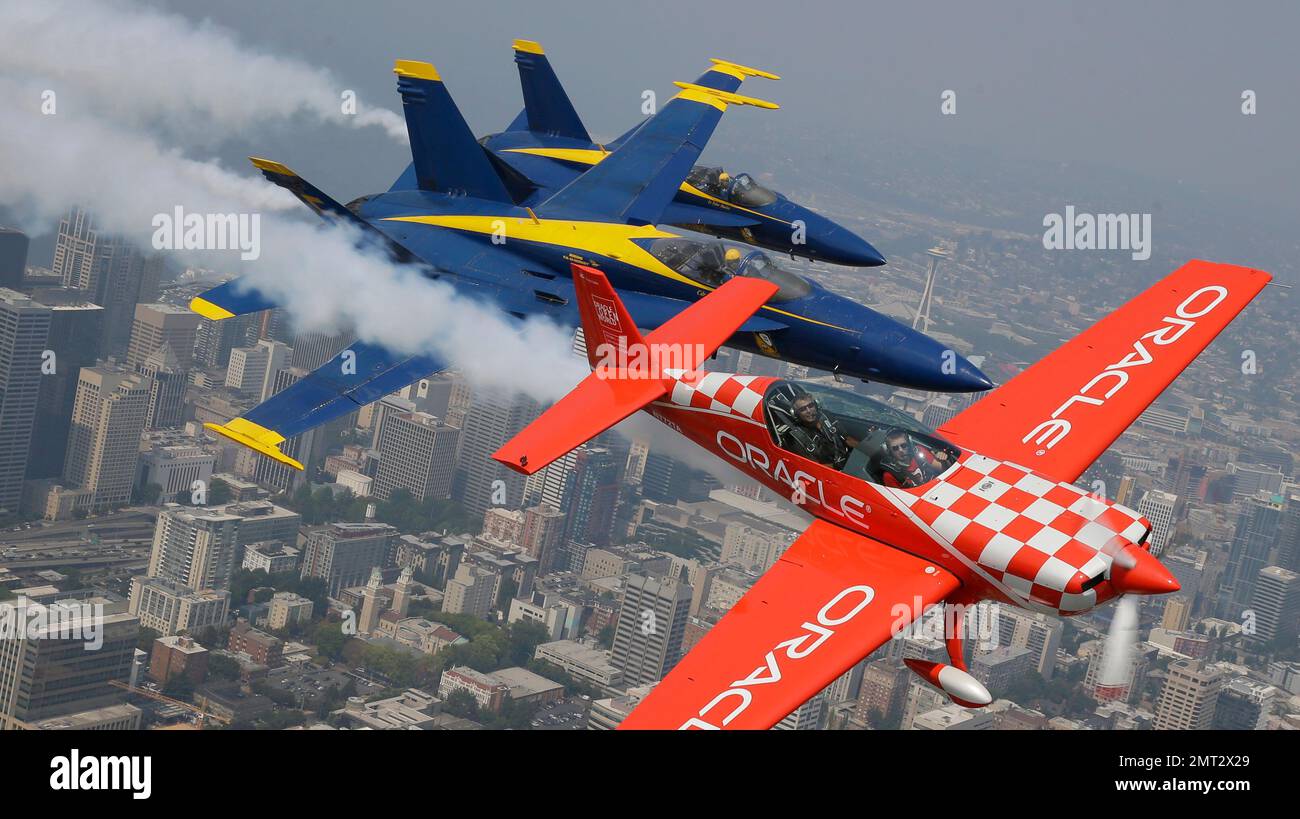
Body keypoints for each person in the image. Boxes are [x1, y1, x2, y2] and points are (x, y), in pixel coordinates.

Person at [784, 392, 858, 469]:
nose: (809, 411)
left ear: (816, 405)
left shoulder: (827, 417)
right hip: (831, 472)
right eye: (803, 409)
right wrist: (838, 466)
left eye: (810, 405)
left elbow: (847, 439)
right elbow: (813, 466)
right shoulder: (797, 437)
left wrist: (867, 451)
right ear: (796, 414)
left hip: (847, 461)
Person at [878, 428, 949, 488]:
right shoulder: (890, 475)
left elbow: (943, 469)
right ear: (889, 451)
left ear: (910, 444)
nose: (901, 450)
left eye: (904, 445)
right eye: (895, 448)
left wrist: (943, 459)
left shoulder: (920, 452)